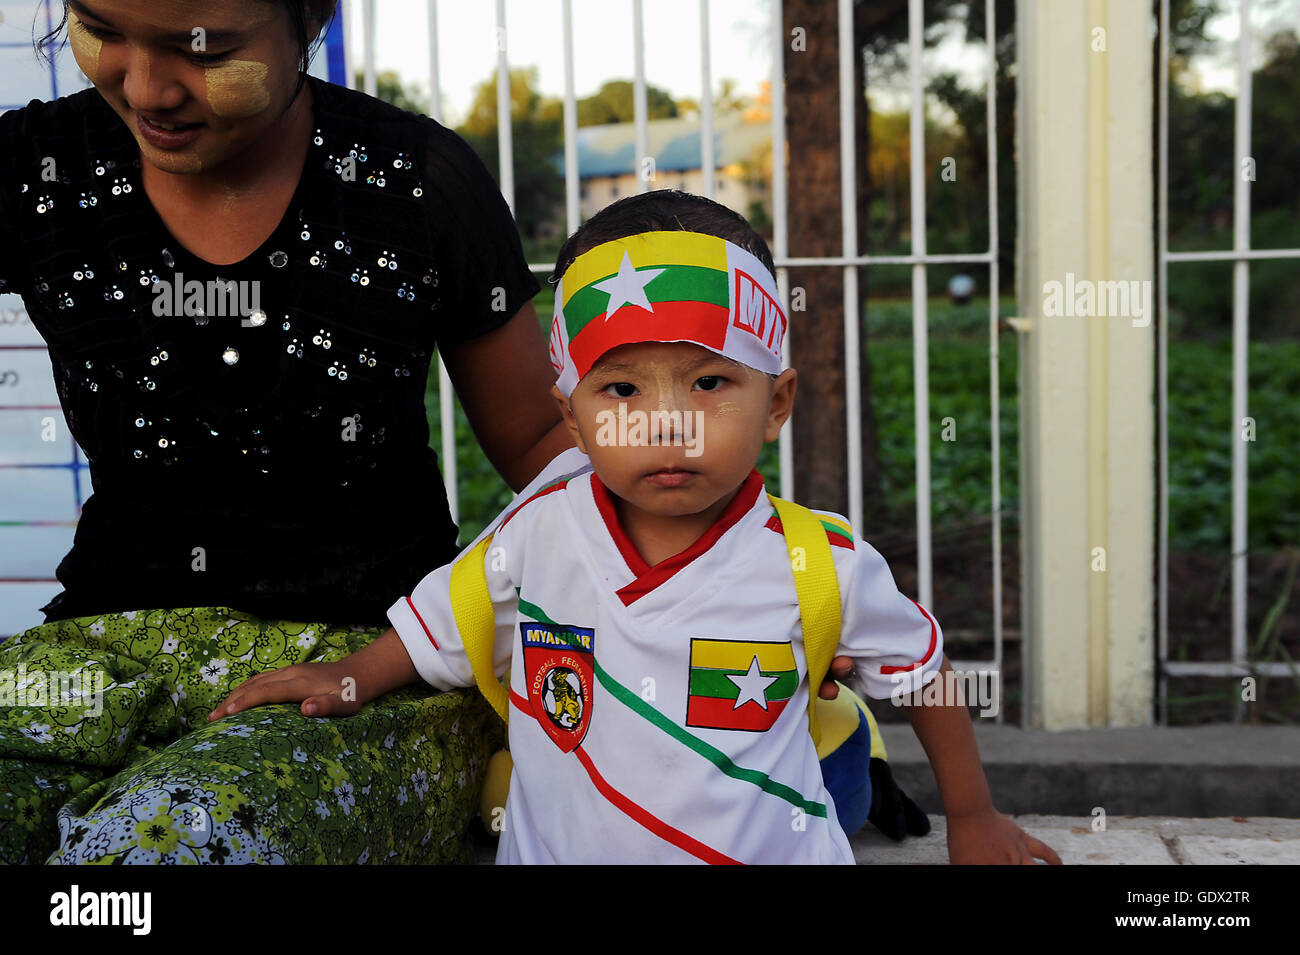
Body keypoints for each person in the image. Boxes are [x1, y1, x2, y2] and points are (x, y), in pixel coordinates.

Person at [213, 191, 1063, 865]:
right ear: (572, 417)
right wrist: (350, 677)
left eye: (707, 384)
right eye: (621, 390)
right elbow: (438, 624)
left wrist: (974, 813)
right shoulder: (535, 533)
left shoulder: (819, 561)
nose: (666, 425)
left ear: (778, 401)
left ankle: (852, 763)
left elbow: (922, 673)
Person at [0, 0, 573, 863]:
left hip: (367, 673)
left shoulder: (417, 182)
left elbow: (544, 450)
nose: (147, 86)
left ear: (311, 16)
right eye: (102, 30)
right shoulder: (35, 171)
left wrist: (723, 575)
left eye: (205, 49)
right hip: (101, 658)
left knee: (169, 846)